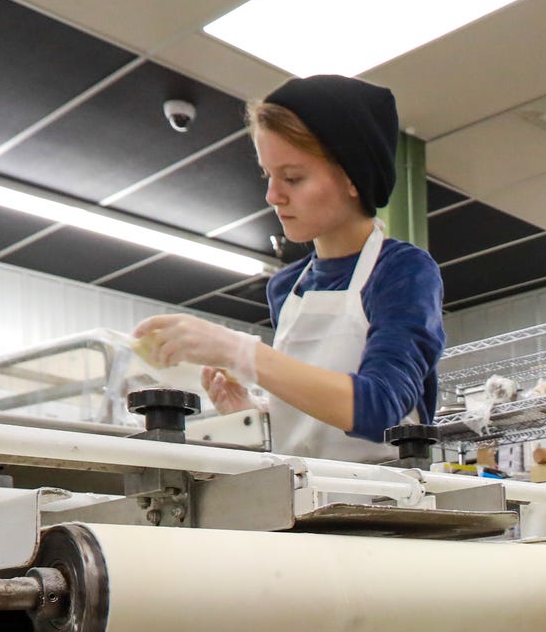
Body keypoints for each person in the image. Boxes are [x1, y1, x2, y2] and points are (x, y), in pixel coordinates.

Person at [135, 74, 443, 462]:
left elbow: (380, 408)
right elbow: (312, 428)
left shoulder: (403, 272)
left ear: (352, 177)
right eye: (268, 176)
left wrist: (241, 352)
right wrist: (252, 416)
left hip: (391, 507)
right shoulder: (287, 288)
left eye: (293, 178)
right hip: (305, 501)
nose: (272, 196)